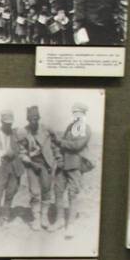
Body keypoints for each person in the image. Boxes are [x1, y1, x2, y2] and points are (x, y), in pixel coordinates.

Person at [18, 105, 59, 231]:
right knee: (35, 192)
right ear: (28, 119)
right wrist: (30, 162)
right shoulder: (23, 132)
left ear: (39, 118)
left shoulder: (47, 129)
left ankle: (44, 217)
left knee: (46, 191)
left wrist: (56, 160)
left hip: (46, 165)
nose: (33, 121)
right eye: (30, 119)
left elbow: (55, 145)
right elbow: (22, 152)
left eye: (35, 118)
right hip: (32, 166)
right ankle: (36, 218)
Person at [54, 100, 92, 233]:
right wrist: (59, 157)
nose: (76, 115)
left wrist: (60, 141)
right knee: (58, 191)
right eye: (74, 113)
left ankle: (70, 225)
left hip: (75, 165)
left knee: (72, 194)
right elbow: (62, 146)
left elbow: (77, 146)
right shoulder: (70, 127)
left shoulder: (85, 129)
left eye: (79, 113)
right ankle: (59, 221)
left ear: (84, 114)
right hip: (63, 164)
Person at [0, 109, 23, 226]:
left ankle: (5, 217)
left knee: (10, 193)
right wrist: (4, 153)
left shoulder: (15, 134)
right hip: (1, 168)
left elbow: (21, 147)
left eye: (10, 123)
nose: (8, 125)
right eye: (6, 123)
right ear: (1, 121)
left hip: (13, 167)